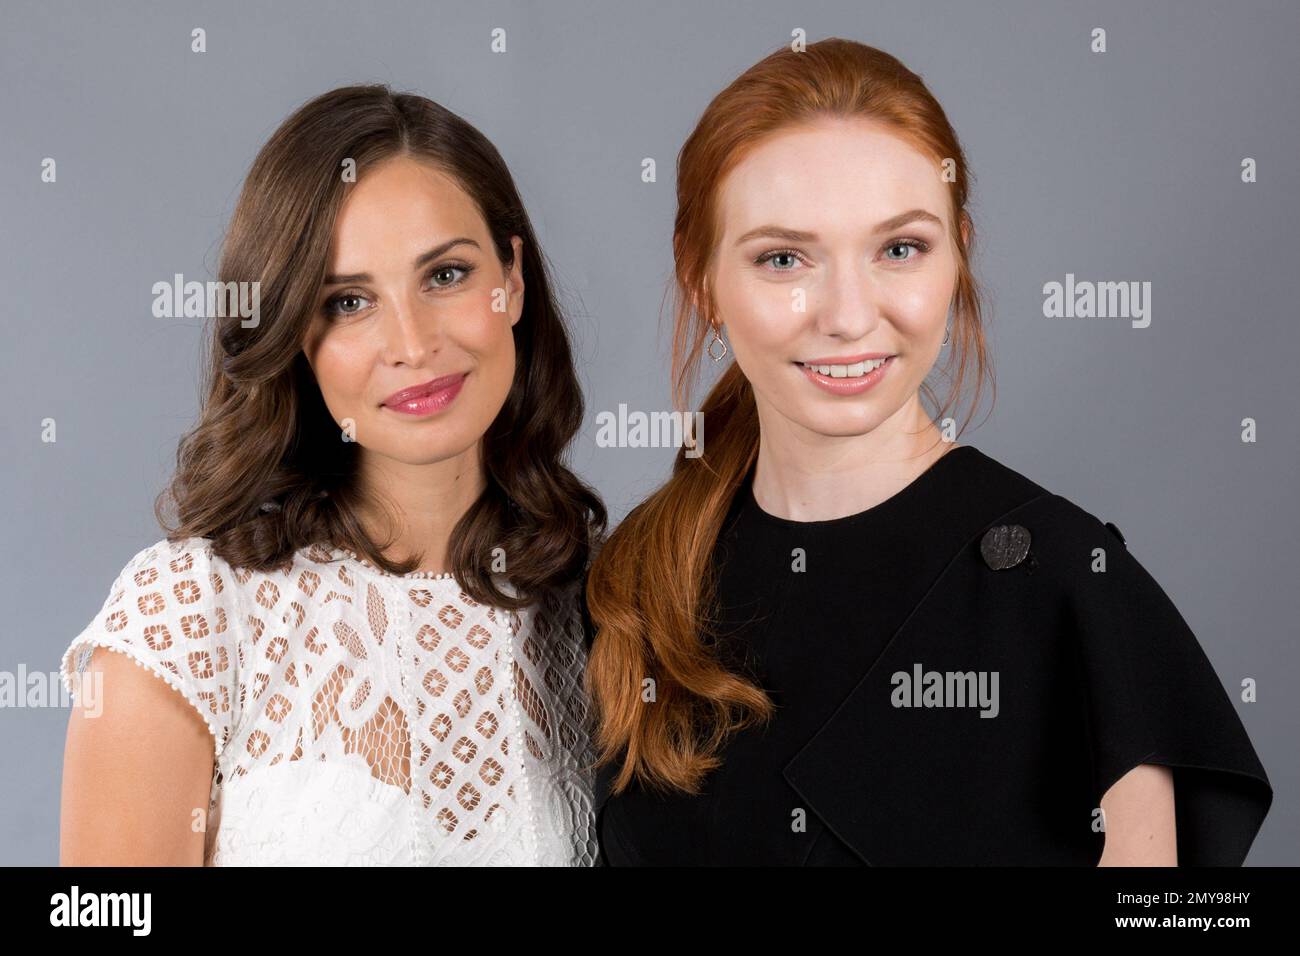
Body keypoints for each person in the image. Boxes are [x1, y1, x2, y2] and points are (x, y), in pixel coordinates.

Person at [583, 39, 1273, 866]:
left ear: (958, 255)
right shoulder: (638, 585)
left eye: (898, 249)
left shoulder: (1066, 583)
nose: (846, 314)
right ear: (702, 282)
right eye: (783, 259)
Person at [59, 85, 606, 866]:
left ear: (511, 279)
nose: (412, 344)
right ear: (292, 333)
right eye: (349, 301)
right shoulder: (190, 615)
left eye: (445, 275)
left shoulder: (597, 606)